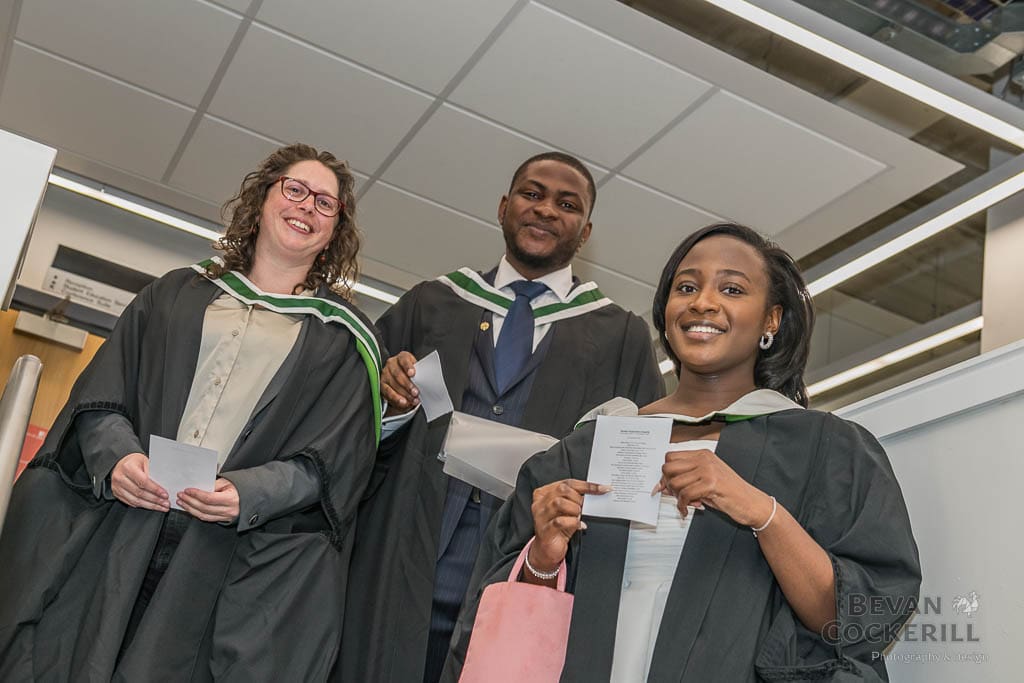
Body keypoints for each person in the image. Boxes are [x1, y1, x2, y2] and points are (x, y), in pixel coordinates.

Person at [446, 223, 921, 682]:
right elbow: (495, 626)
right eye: (686, 287)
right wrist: (543, 559)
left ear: (771, 319)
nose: (704, 302)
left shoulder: (826, 449)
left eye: (732, 290)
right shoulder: (585, 447)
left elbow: (861, 623)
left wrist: (761, 511)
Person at [0, 143, 384, 681]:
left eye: (326, 203)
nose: (307, 207)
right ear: (264, 197)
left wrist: (247, 493)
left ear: (336, 228)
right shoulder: (177, 294)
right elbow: (102, 396)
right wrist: (118, 460)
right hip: (126, 520)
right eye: (295, 190)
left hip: (227, 552)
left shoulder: (342, 341)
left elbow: (331, 462)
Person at [340, 151, 664, 682]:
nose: (545, 210)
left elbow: (634, 475)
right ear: (503, 207)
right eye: (532, 194)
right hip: (401, 567)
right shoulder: (431, 304)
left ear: (584, 233)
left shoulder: (619, 336)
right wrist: (386, 397)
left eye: (567, 204)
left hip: (526, 573)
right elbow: (345, 425)